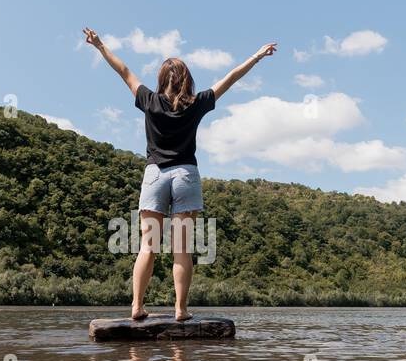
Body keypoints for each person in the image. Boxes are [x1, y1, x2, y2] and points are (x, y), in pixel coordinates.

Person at [83, 28, 275, 321]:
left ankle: (136, 306)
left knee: (147, 246)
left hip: (154, 174)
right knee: (181, 248)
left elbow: (123, 70)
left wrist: (100, 45)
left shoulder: (148, 99)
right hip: (185, 173)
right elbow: (231, 77)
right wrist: (257, 56)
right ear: (186, 80)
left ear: (162, 80)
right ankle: (181, 309)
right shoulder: (196, 103)